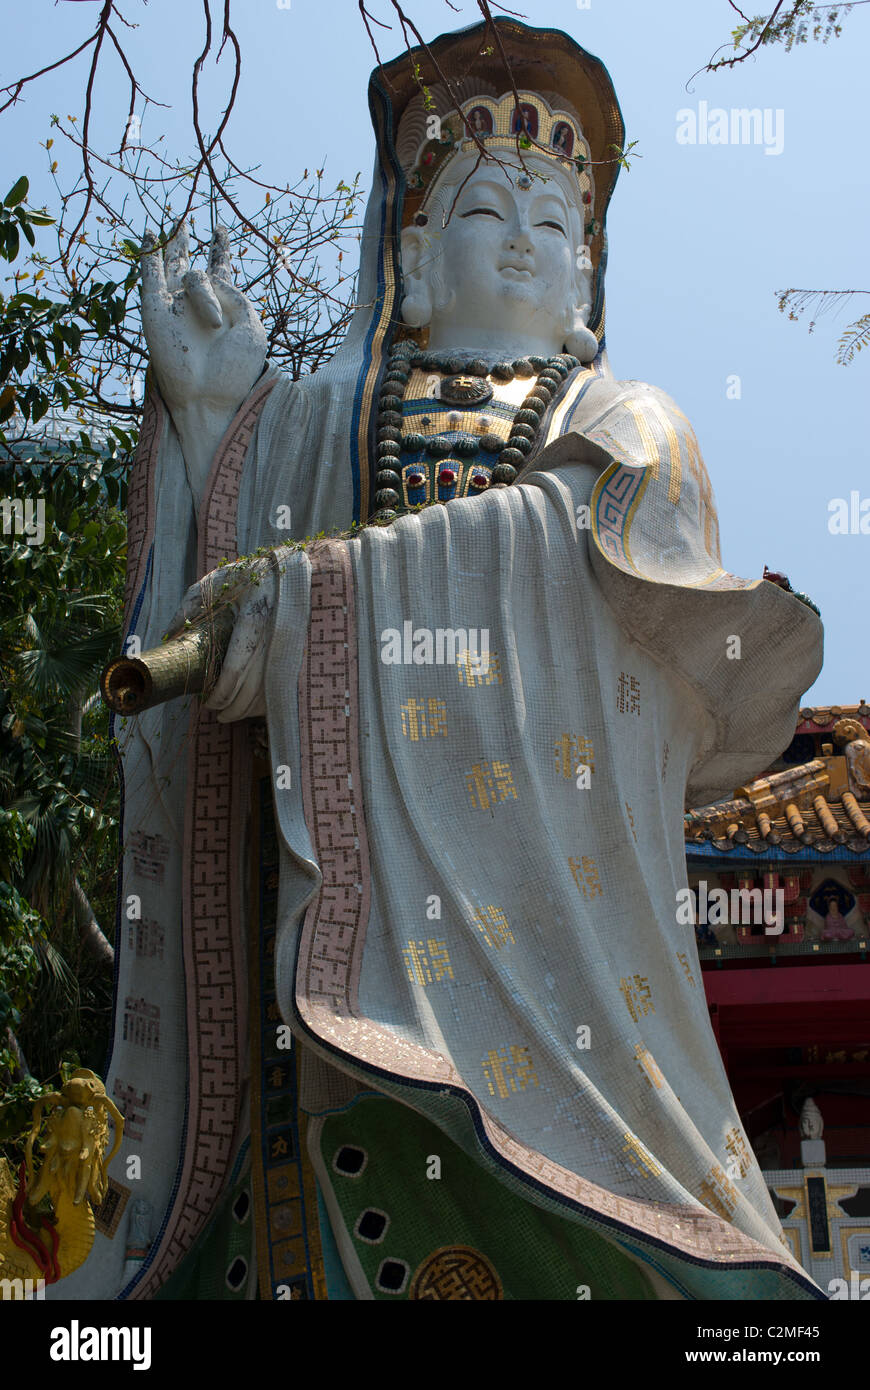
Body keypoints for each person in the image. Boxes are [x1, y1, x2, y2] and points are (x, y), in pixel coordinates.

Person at [70, 18, 823, 1301]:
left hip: (555, 943)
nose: (526, 236)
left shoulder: (626, 423)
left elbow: (626, 570)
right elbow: (208, 604)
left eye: (555, 219)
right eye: (486, 208)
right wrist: (208, 424)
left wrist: (323, 598)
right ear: (413, 261)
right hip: (326, 982)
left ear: (586, 283)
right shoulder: (311, 423)